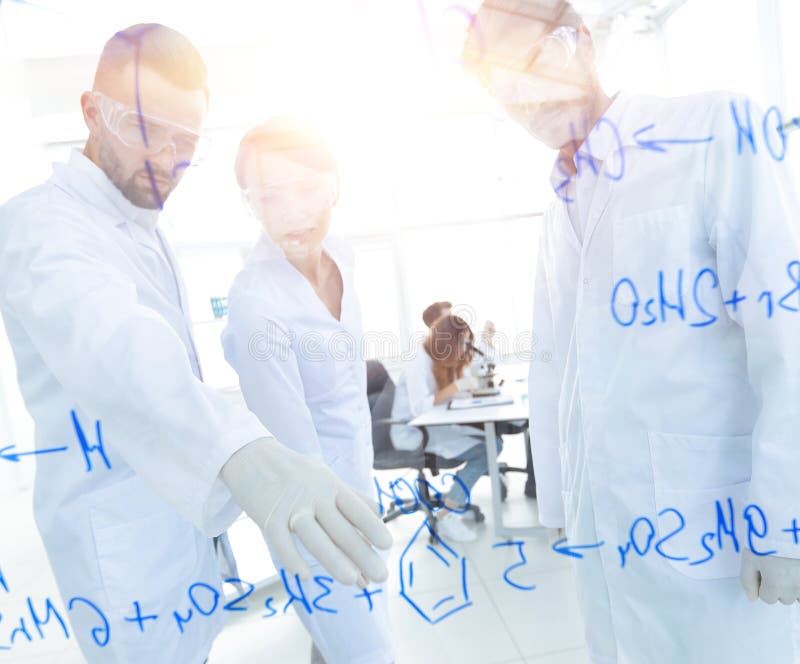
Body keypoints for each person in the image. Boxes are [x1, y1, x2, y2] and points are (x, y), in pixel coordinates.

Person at [0, 25, 390, 663]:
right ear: (91, 112)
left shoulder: (143, 228)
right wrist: (245, 453)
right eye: (144, 127)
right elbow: (118, 348)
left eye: (185, 140)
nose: (167, 157)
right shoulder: (41, 224)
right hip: (122, 549)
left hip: (177, 530)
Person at [462, 1, 800, 662]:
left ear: (582, 42)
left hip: (722, 535)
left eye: (532, 63)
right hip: (608, 532)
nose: (525, 97)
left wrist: (787, 521)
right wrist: (562, 506)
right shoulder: (559, 206)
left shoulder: (711, 131)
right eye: (503, 88)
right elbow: (559, 370)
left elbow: (786, 333)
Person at [221, 117, 396, 664]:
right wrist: (341, 525)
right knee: (367, 654)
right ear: (250, 203)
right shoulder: (256, 305)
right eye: (269, 196)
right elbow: (294, 455)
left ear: (334, 184)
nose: (291, 212)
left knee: (344, 645)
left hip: (359, 486)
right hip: (311, 514)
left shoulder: (342, 254)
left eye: (306, 188)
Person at [391, 314, 503, 542]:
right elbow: (419, 408)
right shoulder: (418, 362)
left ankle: (455, 498)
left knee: (494, 442)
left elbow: (477, 364)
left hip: (434, 426)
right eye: (461, 343)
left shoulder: (443, 357)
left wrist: (486, 340)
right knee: (488, 448)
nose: (464, 349)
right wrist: (456, 387)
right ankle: (446, 515)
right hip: (413, 432)